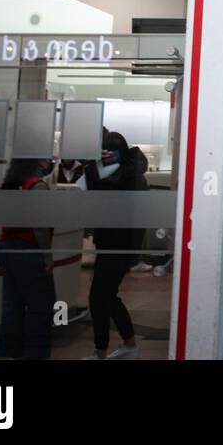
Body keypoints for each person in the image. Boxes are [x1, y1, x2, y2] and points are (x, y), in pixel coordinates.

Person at [82, 129, 149, 359]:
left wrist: (92, 165)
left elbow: (101, 190)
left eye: (109, 152)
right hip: (114, 244)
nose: (106, 157)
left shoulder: (125, 175)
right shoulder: (126, 173)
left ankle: (101, 351)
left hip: (117, 244)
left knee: (99, 297)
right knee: (107, 296)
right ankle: (128, 344)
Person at [0, 158, 56, 359]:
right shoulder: (37, 187)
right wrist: (47, 258)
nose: (48, 161)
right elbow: (40, 227)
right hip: (29, 250)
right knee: (41, 306)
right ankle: (35, 354)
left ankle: (10, 352)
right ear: (37, 162)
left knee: (12, 305)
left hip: (6, 248)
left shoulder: (11, 184)